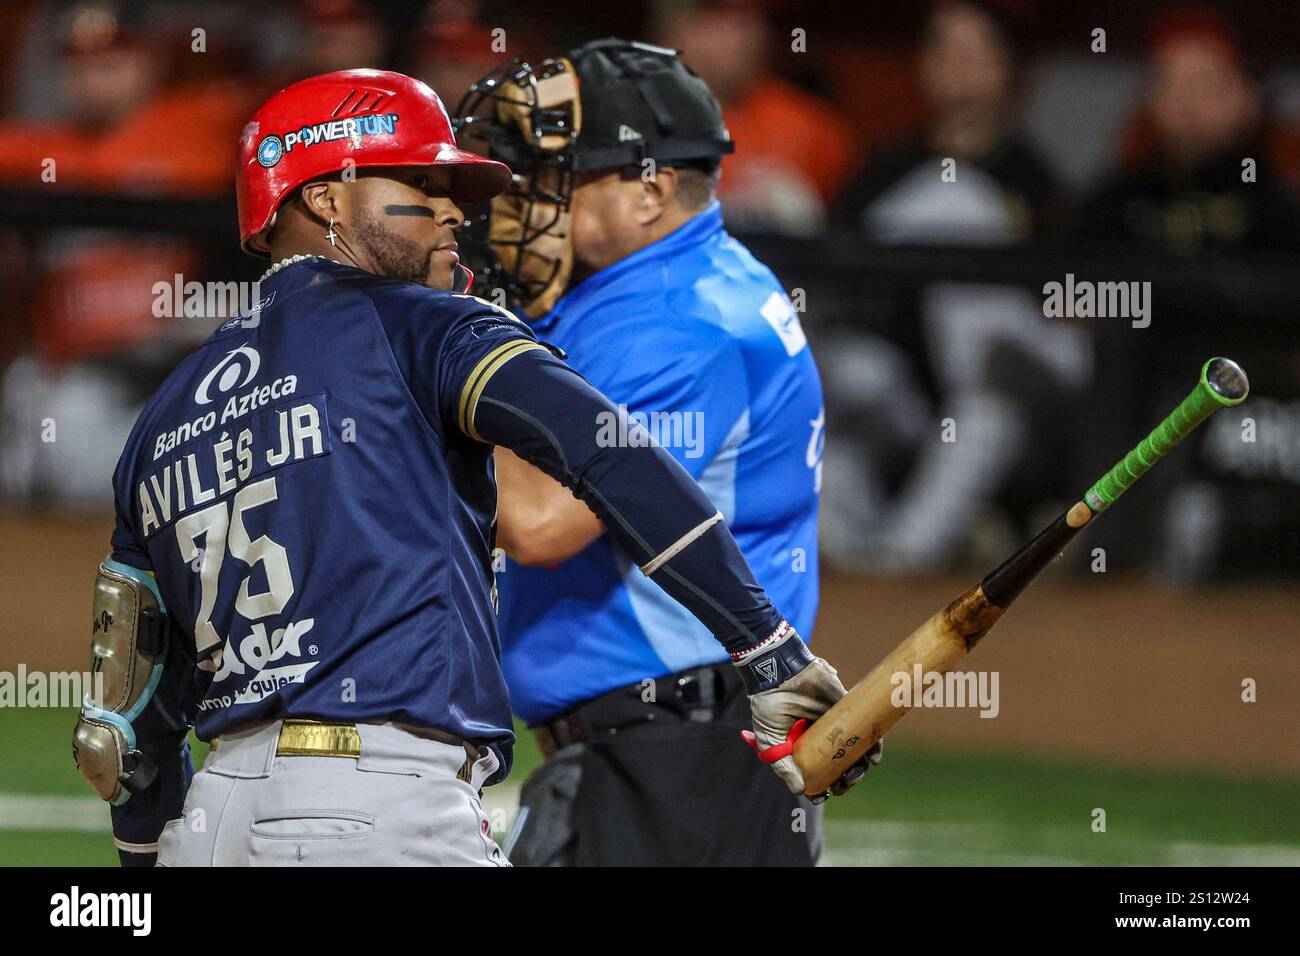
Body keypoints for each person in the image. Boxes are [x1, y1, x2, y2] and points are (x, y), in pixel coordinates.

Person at [69, 68, 867, 867]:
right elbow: (610, 454)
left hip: (213, 822)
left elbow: (128, 718)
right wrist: (767, 647)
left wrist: (144, 865)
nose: (456, 209)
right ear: (326, 198)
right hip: (377, 812)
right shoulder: (420, 325)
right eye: (422, 182)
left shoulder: (164, 414)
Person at [454, 39, 880, 867]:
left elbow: (540, 523)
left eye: (558, 178)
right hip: (663, 756)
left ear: (650, 190)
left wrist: (455, 340)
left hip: (682, 773)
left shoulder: (681, 322)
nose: (522, 205)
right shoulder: (657, 289)